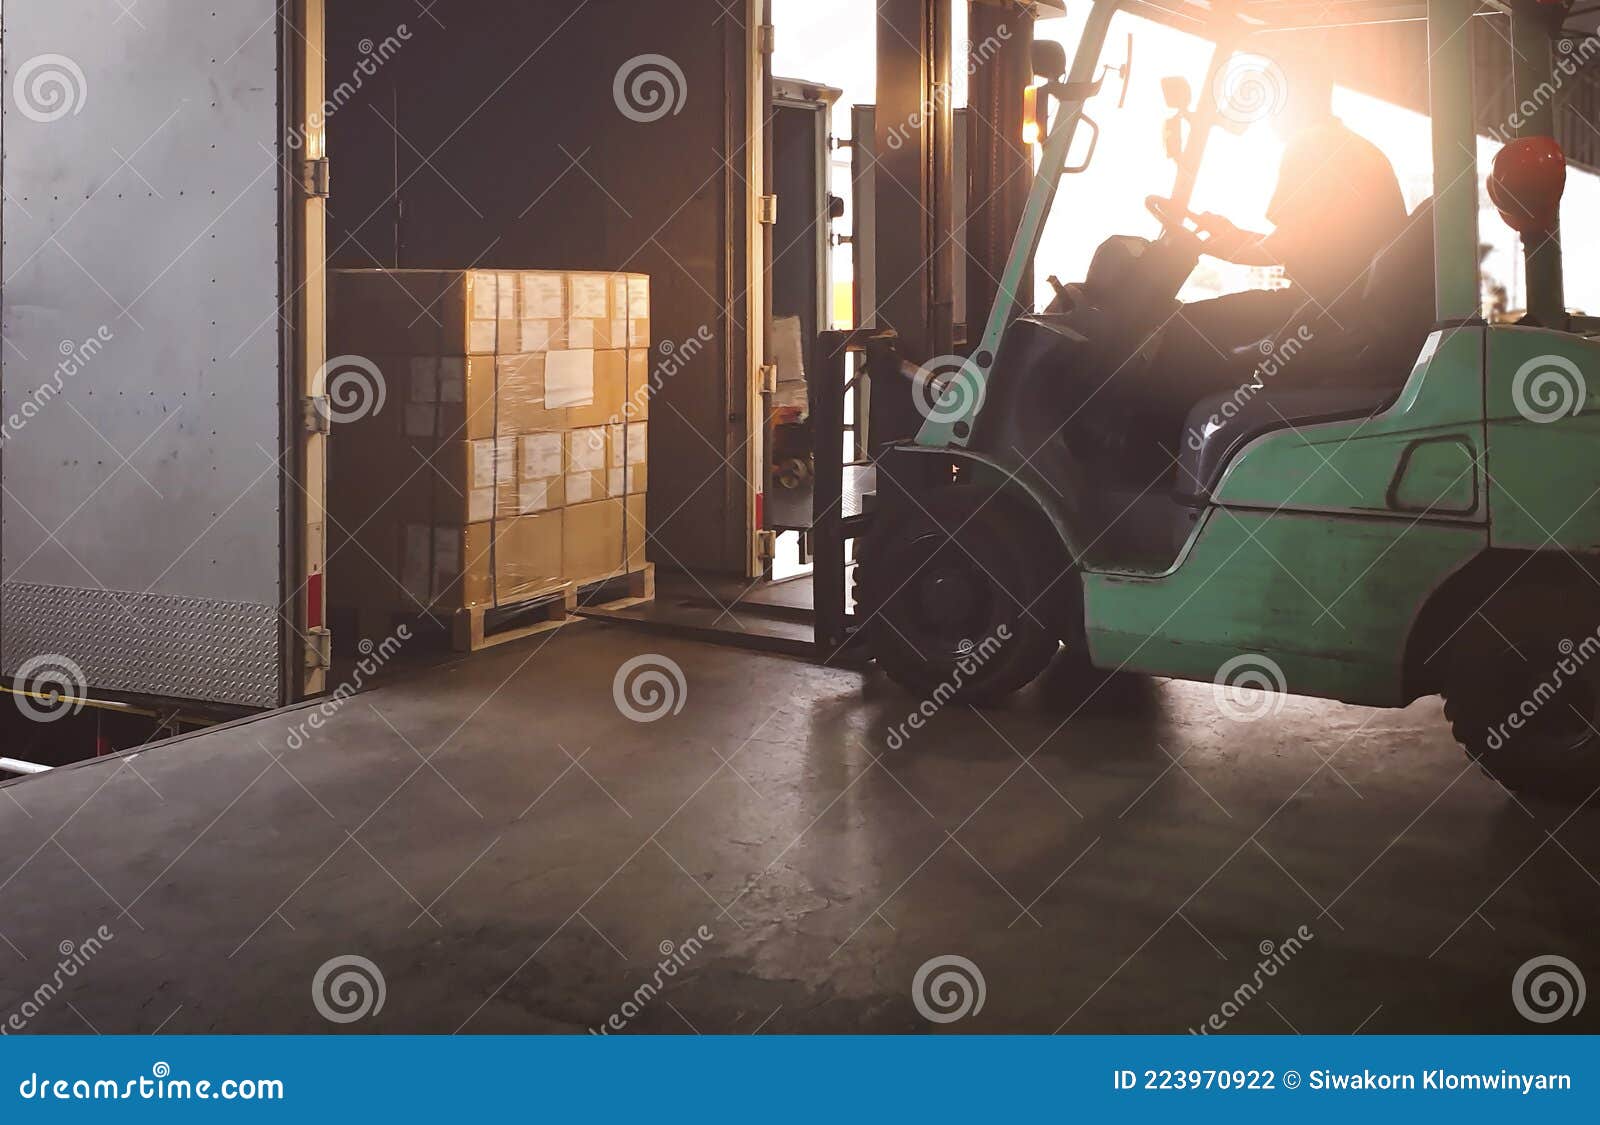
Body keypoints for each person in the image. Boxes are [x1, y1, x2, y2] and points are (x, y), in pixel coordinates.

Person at [1153, 55, 1409, 399]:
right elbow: (1304, 241)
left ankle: (1164, 442)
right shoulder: (1352, 146)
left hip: (1323, 311)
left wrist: (1226, 248)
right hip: (1344, 308)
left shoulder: (1310, 145)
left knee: (1179, 331)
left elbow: (1286, 247)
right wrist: (1234, 238)